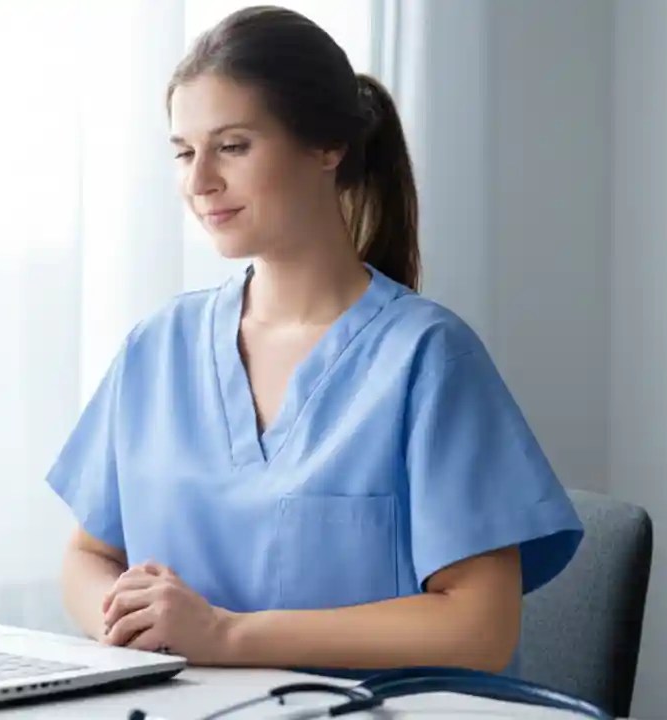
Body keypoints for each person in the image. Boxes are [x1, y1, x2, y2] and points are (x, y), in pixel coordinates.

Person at [45, 5, 583, 677]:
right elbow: (89, 556)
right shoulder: (157, 349)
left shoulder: (426, 358)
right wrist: (134, 623)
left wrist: (226, 636)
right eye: (184, 152)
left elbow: (479, 629)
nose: (199, 180)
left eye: (233, 146)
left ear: (328, 147)